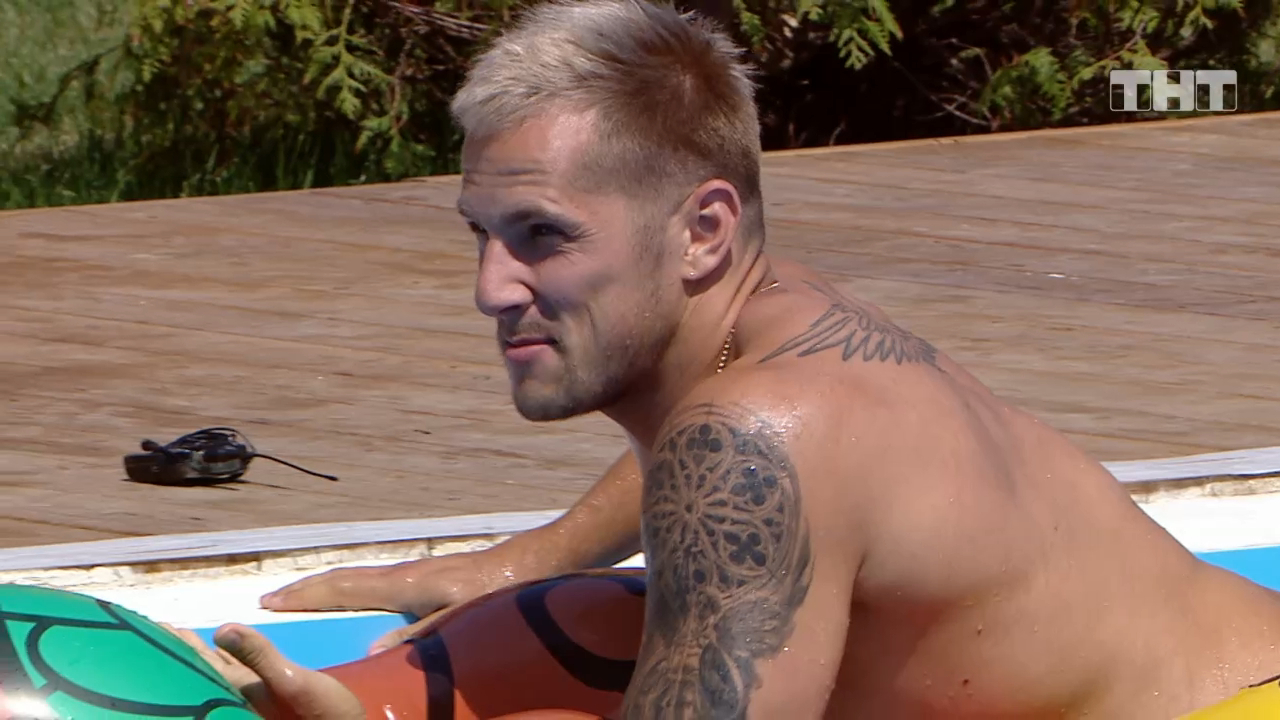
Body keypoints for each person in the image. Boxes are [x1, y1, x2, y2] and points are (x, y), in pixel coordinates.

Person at [180, 0, 1280, 717]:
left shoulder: (752, 438)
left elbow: (737, 457)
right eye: (483, 234)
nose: (492, 288)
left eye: (544, 237)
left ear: (703, 230)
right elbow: (731, 457)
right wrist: (528, 560)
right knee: (583, 625)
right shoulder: (785, 331)